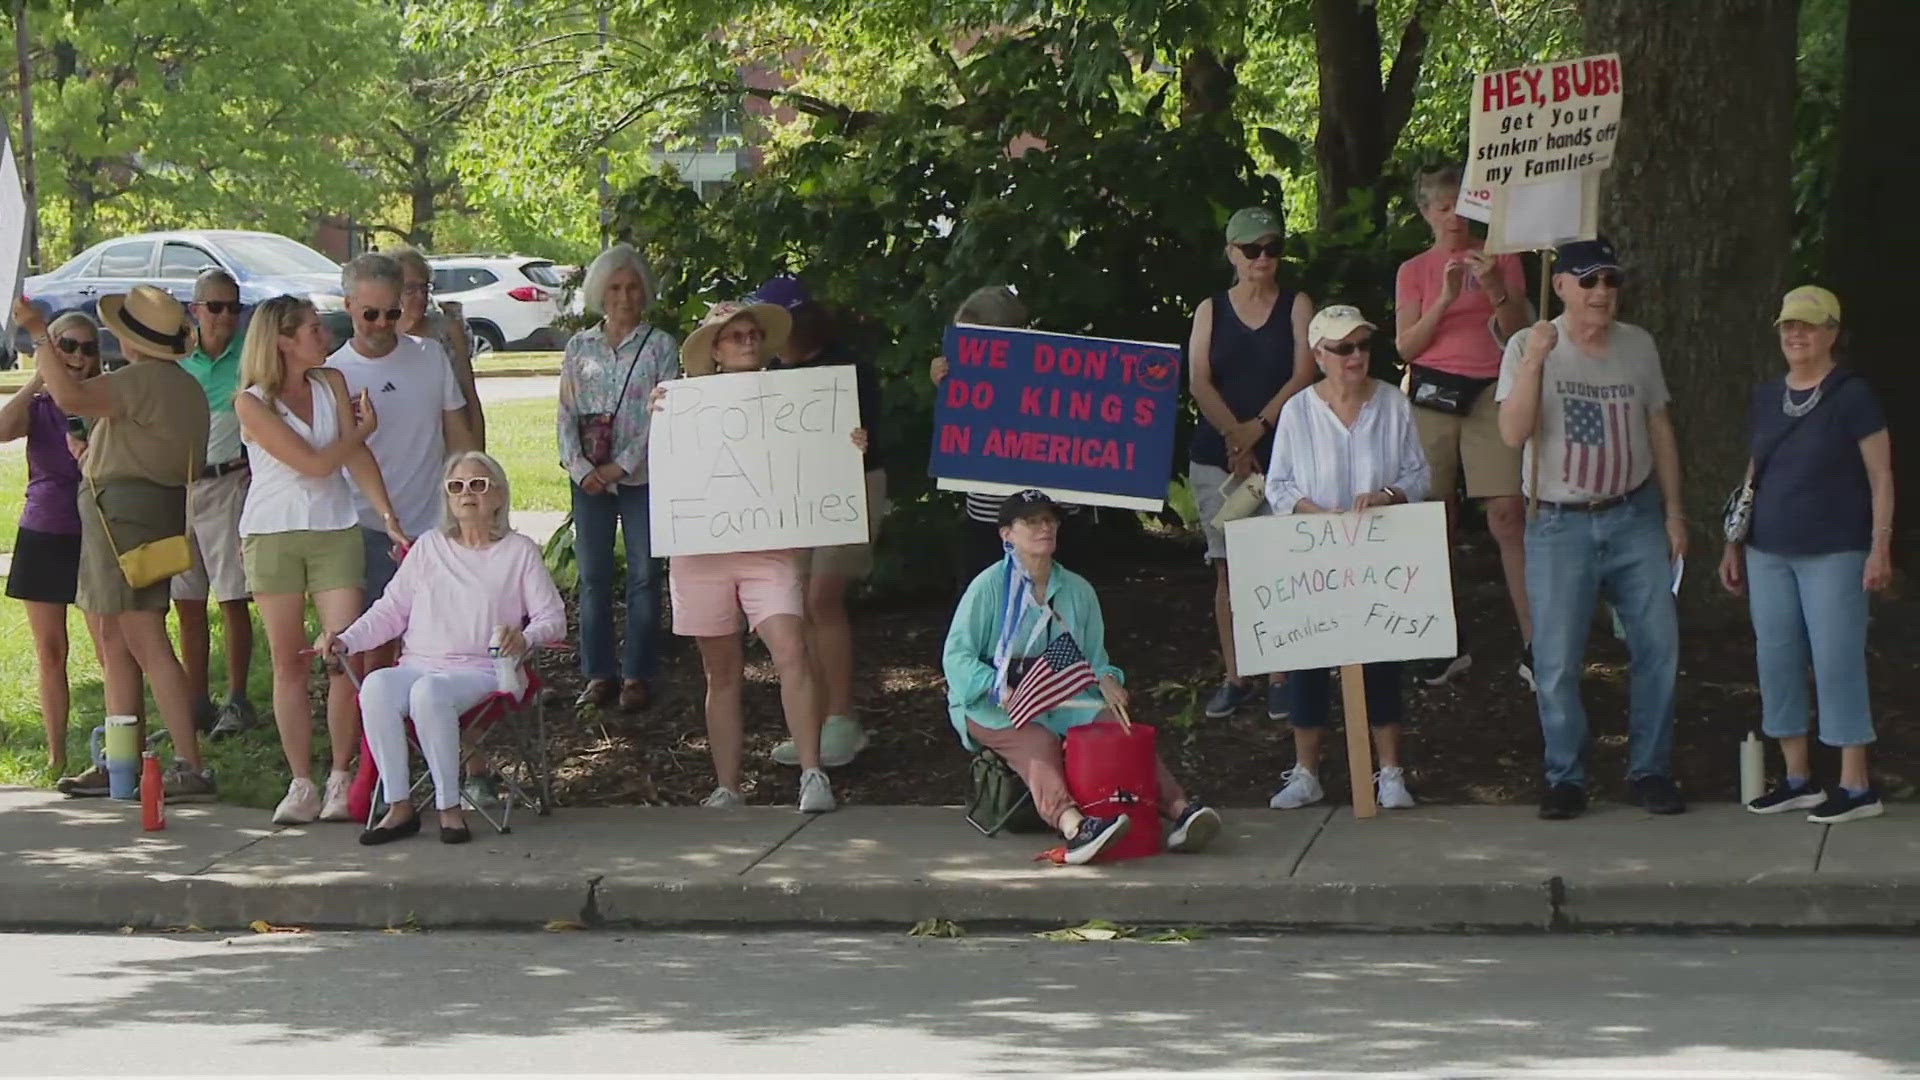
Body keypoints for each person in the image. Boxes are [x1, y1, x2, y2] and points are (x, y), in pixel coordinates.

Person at [1496, 239, 1686, 820]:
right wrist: (1535, 359)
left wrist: (1675, 511)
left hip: (1634, 514)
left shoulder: (1638, 345)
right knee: (1555, 661)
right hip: (1558, 522)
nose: (1602, 292)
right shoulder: (1528, 344)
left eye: (1610, 280)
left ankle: (1651, 770)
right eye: (1588, 281)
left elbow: (1659, 428)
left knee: (1658, 647)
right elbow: (1512, 433)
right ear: (1560, 286)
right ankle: (1565, 776)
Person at [651, 300, 859, 813]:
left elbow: (820, 460)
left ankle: (812, 774)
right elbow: (658, 462)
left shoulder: (796, 399)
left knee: (791, 649)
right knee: (720, 672)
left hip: (769, 548)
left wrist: (847, 444)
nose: (747, 341)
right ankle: (728, 786)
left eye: (752, 335)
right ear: (714, 350)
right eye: (735, 335)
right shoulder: (681, 403)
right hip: (701, 552)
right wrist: (656, 415)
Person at [943, 490, 1221, 865]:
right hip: (992, 703)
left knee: (1116, 727)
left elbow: (1094, 660)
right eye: (1031, 521)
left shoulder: (1077, 590)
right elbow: (956, 656)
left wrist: (1108, 680)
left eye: (1049, 520)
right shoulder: (988, 587)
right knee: (1037, 740)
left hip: (1059, 696)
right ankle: (1075, 827)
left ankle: (1180, 810)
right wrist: (997, 687)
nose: (1044, 528)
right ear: (1006, 534)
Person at [19, 286, 215, 801]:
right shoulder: (183, 386)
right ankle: (122, 761)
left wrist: (38, 333)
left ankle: (189, 765)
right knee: (116, 637)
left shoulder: (140, 380)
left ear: (132, 340)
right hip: (144, 511)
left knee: (144, 637)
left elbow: (68, 396)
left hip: (124, 515)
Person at [317, 452, 564, 845]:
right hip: (419, 664)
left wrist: (525, 638)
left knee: (429, 693)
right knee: (377, 686)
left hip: (485, 669)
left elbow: (552, 618)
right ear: (447, 498)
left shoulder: (519, 551)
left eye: (478, 485)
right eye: (456, 486)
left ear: (498, 496)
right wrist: (346, 639)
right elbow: (390, 611)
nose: (467, 493)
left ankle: (450, 808)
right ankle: (399, 806)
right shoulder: (429, 547)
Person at [1721, 286, 1892, 824]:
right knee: (1775, 658)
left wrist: (1880, 546)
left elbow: (1881, 475)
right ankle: (1798, 779)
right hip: (1767, 549)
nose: (1797, 334)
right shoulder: (1766, 396)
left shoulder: (1853, 395)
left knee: (1837, 659)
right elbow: (1755, 471)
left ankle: (1855, 784)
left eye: (1809, 325)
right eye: (1789, 325)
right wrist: (1733, 540)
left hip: (1836, 550)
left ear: (1832, 333)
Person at [234, 295, 406, 825]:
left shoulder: (331, 383)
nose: (323, 334)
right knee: (288, 661)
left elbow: (355, 456)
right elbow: (313, 463)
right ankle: (300, 781)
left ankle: (339, 775)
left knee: (342, 654)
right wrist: (360, 431)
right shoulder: (251, 402)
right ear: (283, 340)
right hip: (273, 534)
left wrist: (387, 515)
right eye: (312, 328)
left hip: (335, 529)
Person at [1263, 306, 1431, 811]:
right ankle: (1306, 773)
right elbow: (1277, 484)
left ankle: (1391, 773)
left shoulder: (1393, 404)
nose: (1355, 356)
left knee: (1382, 656)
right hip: (1313, 554)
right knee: (1308, 659)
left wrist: (1386, 495)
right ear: (1319, 355)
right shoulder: (1297, 411)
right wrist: (1312, 511)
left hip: (1379, 552)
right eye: (1342, 348)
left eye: (1362, 345)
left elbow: (1420, 474)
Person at [1394, 165, 1534, 688]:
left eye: (1462, 205)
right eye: (1442, 207)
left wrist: (1495, 286)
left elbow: (1519, 334)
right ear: (1426, 213)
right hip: (1433, 395)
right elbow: (1406, 347)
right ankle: (1443, 639)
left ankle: (1537, 641)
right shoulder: (1414, 270)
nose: (1454, 217)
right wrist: (1446, 298)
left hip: (1491, 392)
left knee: (1508, 513)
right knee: (1433, 518)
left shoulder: (1503, 256)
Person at [1185, 207, 1315, 724]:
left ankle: (1281, 675)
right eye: (1252, 249)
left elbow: (1303, 373)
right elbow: (1198, 380)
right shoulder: (1210, 310)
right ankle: (1237, 675)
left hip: (1282, 455)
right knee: (1228, 567)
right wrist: (1234, 438)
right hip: (1218, 458)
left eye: (1272, 248)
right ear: (1231, 254)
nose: (1263, 258)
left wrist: (1256, 429)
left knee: (1279, 564)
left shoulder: (1296, 304)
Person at [752, 275, 885, 769]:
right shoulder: (769, 372)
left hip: (849, 489)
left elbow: (869, 435)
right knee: (801, 603)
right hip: (796, 495)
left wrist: (860, 438)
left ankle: (841, 718)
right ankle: (817, 722)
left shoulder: (848, 367)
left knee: (822, 597)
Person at [557, 242, 677, 713]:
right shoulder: (579, 346)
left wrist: (621, 465)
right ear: (599, 293)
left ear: (644, 292)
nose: (624, 297)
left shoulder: (661, 346)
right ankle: (598, 673)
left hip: (643, 476)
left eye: (632, 287)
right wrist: (580, 468)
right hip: (588, 480)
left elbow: (661, 417)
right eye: (614, 288)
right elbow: (565, 412)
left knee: (645, 574)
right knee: (593, 577)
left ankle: (637, 674)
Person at [326, 253, 473, 631]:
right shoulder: (332, 373)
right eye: (370, 314)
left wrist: (468, 501)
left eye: (391, 313)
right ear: (348, 306)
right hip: (363, 527)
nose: (381, 324)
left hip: (433, 526)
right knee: (369, 641)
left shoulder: (430, 355)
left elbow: (458, 436)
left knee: (438, 637)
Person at [0, 310, 107, 779]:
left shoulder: (104, 400)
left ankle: (119, 751)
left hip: (95, 532)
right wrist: (39, 378)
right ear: (52, 348)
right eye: (68, 346)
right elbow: (2, 429)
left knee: (109, 648)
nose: (79, 356)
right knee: (50, 650)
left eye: (88, 348)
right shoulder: (41, 406)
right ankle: (56, 755)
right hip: (44, 529)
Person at [172, 269, 258, 740]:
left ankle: (238, 699)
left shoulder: (248, 357)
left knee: (232, 596)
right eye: (217, 307)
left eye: (234, 307)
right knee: (186, 600)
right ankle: (196, 702)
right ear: (195, 309)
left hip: (227, 483)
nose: (226, 316)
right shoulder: (176, 359)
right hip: (180, 488)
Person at [392, 247, 484, 448]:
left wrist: (476, 453)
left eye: (425, 288)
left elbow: (468, 392)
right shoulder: (382, 335)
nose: (420, 296)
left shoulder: (448, 331)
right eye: (410, 289)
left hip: (446, 442)